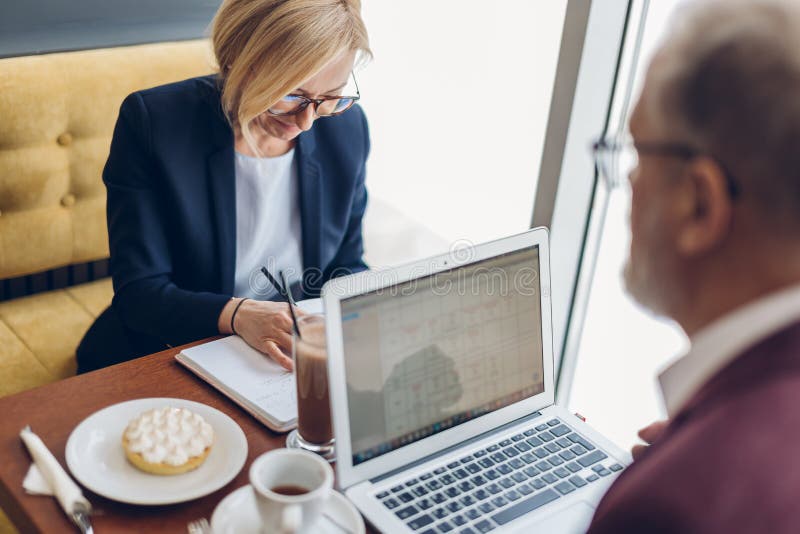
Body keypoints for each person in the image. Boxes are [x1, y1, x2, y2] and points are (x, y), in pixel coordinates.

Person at [586, 1, 800, 532]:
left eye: (637, 153)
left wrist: (692, 467)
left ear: (699, 203)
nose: (629, 183)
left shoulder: (671, 505)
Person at [76, 0, 371, 373]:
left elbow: (346, 264)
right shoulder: (154, 124)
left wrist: (365, 314)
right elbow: (140, 294)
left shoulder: (347, 129)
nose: (307, 121)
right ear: (237, 60)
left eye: (329, 98)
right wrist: (239, 315)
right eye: (292, 94)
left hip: (285, 356)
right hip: (173, 347)